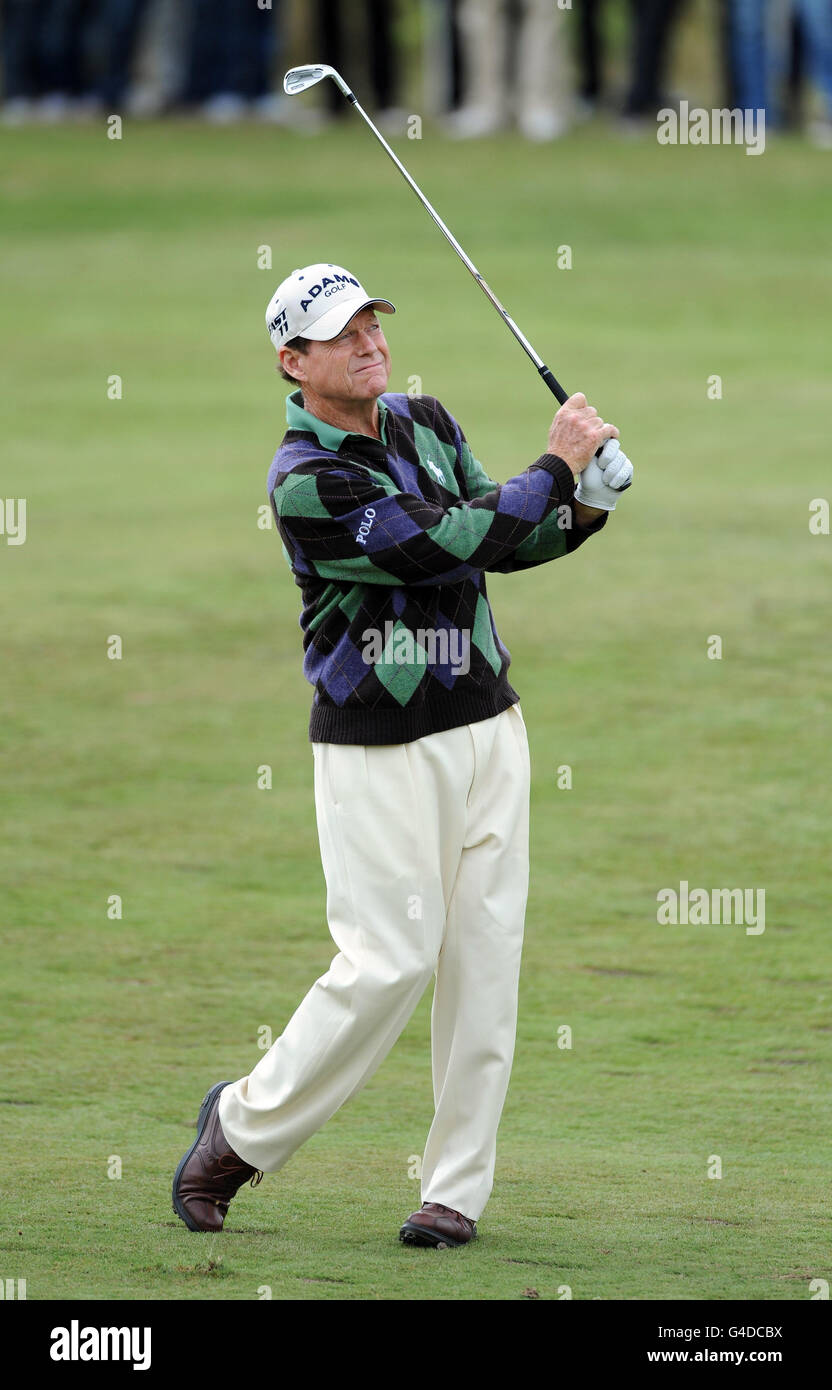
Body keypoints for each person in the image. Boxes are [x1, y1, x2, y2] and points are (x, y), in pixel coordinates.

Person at [172, 262, 633, 1249]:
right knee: (388, 961)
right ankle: (240, 1127)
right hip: (377, 746)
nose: (370, 341)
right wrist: (552, 467)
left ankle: (452, 1192)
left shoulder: (423, 419)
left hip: (485, 722)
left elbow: (501, 545)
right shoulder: (305, 478)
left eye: (373, 323)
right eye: (343, 334)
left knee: (483, 961)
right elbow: (436, 543)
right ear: (293, 363)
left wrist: (585, 505)